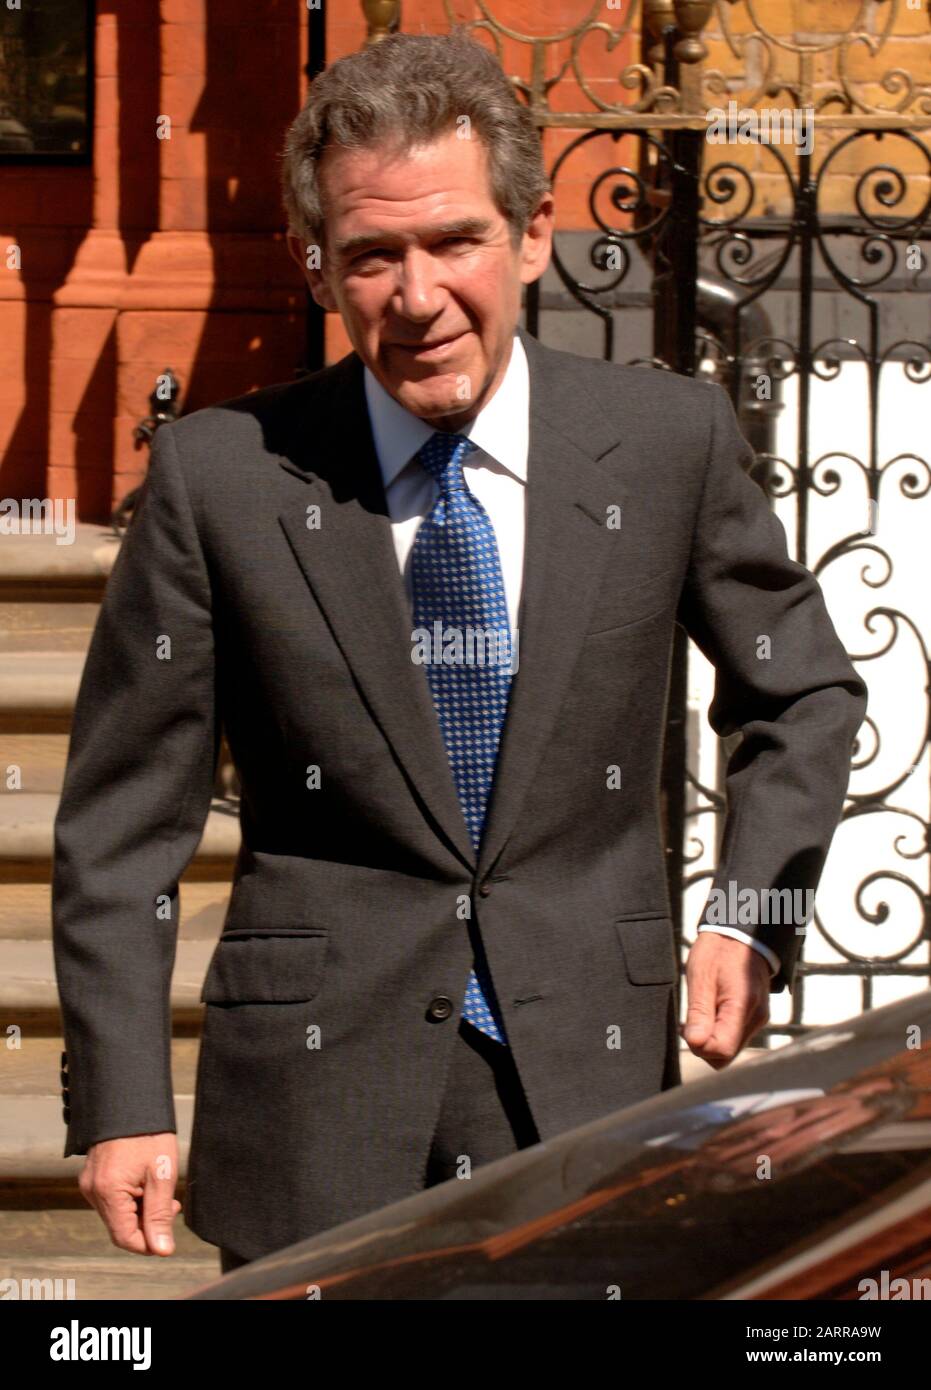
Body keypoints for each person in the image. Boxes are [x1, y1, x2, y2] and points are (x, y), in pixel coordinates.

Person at [52, 31, 867, 1273]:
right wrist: (122, 1096)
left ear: (534, 233)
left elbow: (798, 691)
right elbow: (121, 822)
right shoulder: (221, 477)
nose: (418, 296)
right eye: (372, 254)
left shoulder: (663, 443)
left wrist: (750, 914)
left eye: (454, 242)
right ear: (314, 265)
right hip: (315, 1114)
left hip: (586, 1091)